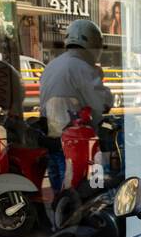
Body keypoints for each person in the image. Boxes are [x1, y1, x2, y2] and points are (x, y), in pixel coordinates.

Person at [38, 19, 114, 191]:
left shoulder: (52, 65)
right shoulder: (82, 67)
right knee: (94, 187)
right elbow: (102, 102)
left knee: (60, 194)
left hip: (52, 141)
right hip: (76, 144)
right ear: (94, 43)